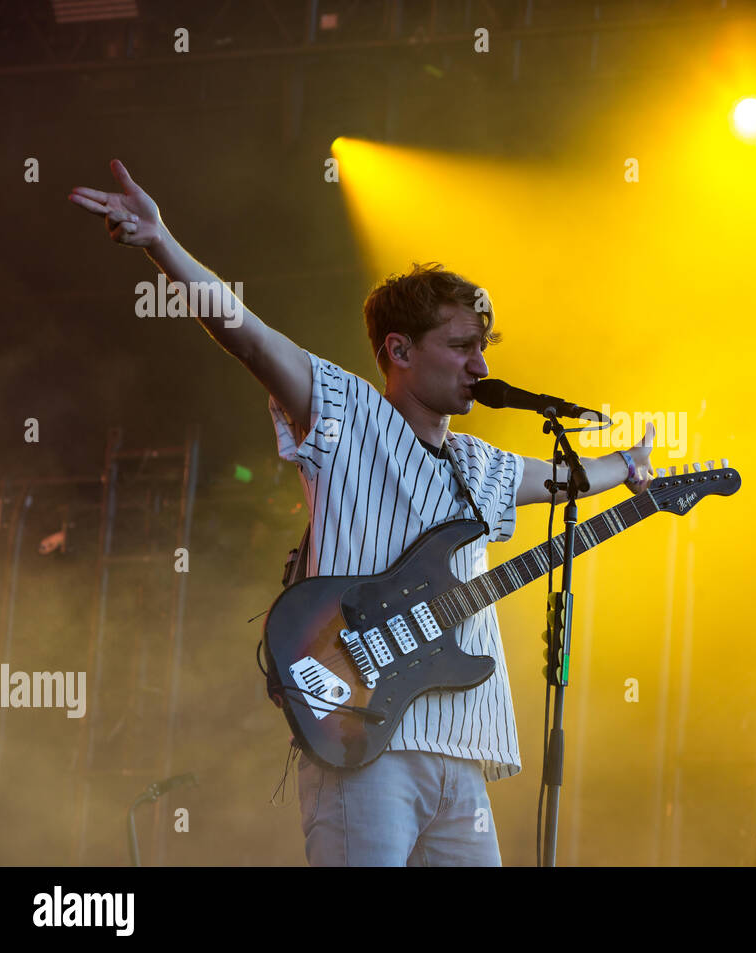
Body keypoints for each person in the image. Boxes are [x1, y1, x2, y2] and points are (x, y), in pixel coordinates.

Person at [69, 159, 657, 866]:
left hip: (463, 757)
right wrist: (161, 241)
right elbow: (247, 335)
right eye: (462, 347)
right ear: (398, 350)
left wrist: (632, 465)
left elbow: (571, 479)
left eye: (484, 349)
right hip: (363, 741)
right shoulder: (344, 412)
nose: (479, 367)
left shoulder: (482, 466)